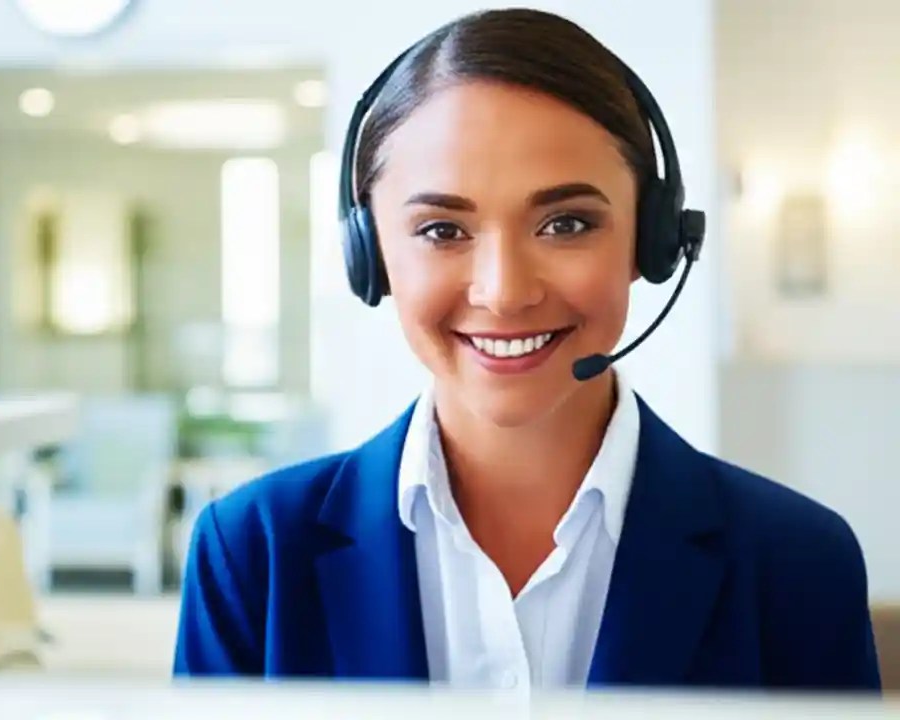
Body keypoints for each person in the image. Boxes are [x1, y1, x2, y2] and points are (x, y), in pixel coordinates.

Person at [173, 8, 881, 691]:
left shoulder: (796, 563)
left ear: (652, 240)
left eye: (566, 223)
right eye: (443, 230)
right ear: (371, 255)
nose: (505, 292)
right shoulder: (253, 554)